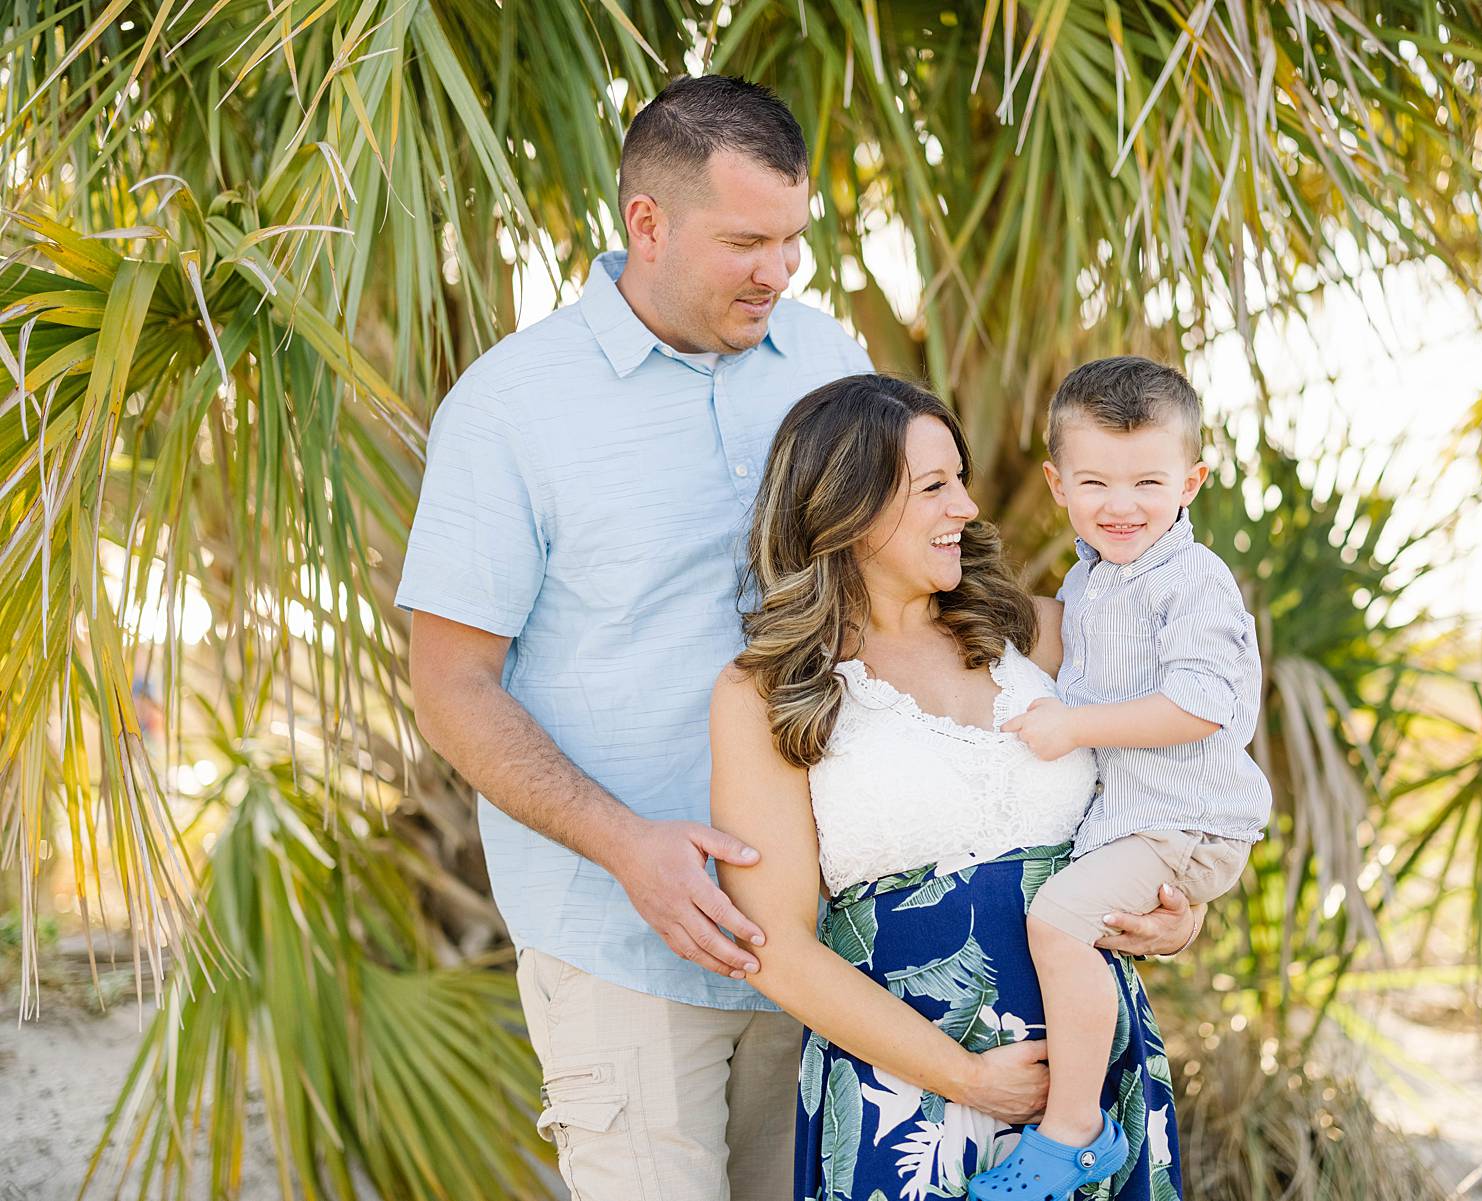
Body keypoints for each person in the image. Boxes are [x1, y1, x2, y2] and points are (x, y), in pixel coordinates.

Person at [400, 78, 1194, 1199]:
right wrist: (630, 845)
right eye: (746, 242)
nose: (779, 272)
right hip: (629, 943)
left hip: (847, 949)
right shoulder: (511, 408)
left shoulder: (824, 354)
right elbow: (451, 687)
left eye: (793, 240)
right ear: (647, 224)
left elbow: (915, 590)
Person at [710, 374, 1187, 1201]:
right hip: (909, 1098)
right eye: (935, 486)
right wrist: (968, 1077)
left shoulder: (1042, 635)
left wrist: (1181, 912)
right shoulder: (770, 690)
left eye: (958, 479)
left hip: (1091, 1086)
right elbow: (774, 946)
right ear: (847, 508)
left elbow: (1173, 786)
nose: (966, 506)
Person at [969, 356, 1273, 1200]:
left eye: (1149, 480)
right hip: (1143, 824)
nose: (1122, 503)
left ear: (1192, 480)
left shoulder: (1192, 576)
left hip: (1187, 822)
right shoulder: (1090, 579)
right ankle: (1080, 1120)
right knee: (1071, 921)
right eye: (1096, 479)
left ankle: (1075, 1130)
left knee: (1060, 918)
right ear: (1056, 483)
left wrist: (1073, 727)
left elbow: (1204, 703)